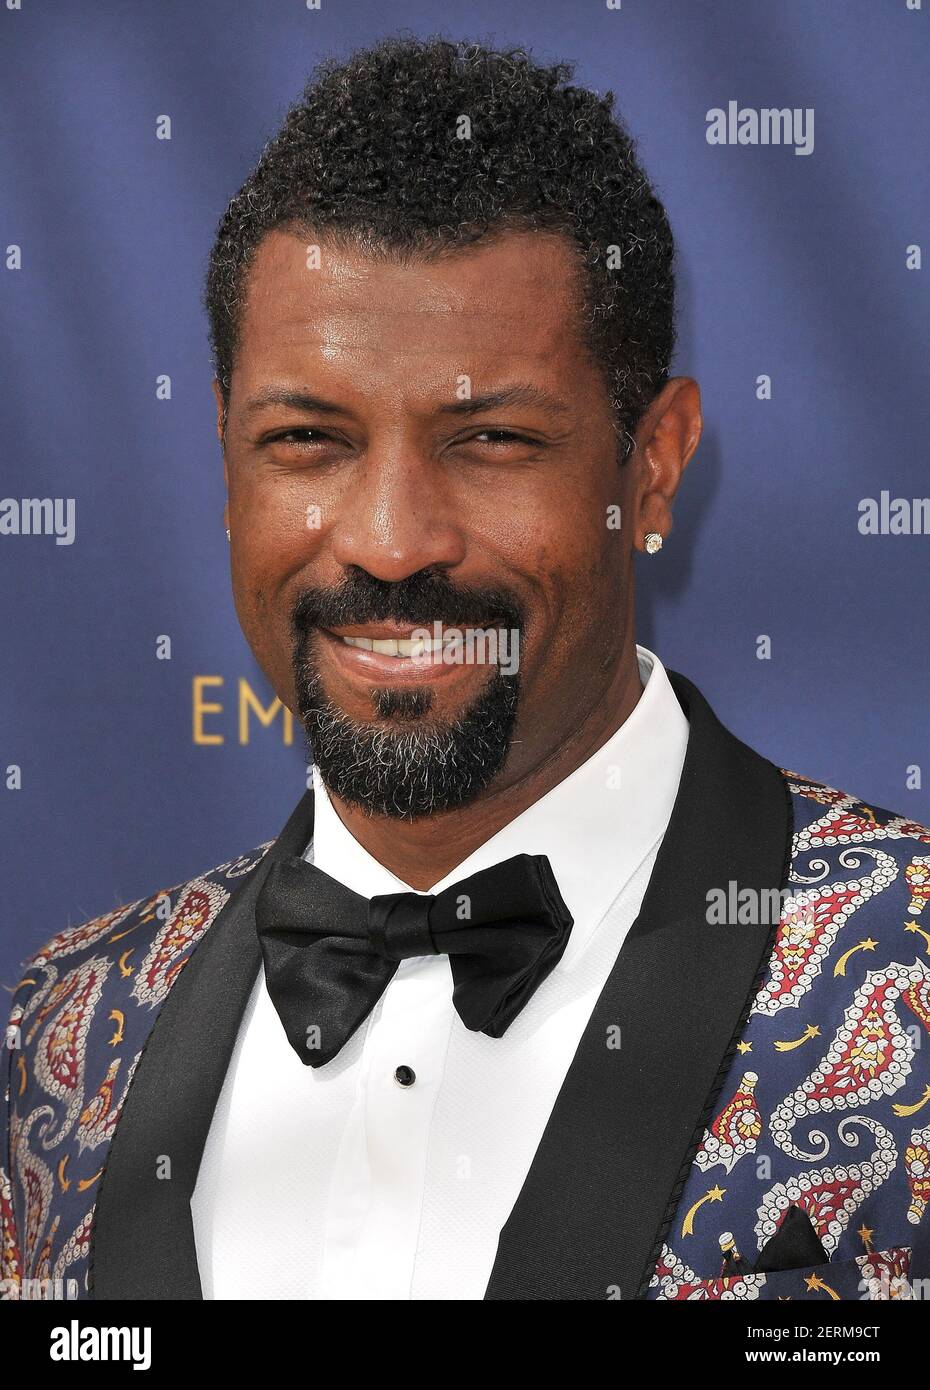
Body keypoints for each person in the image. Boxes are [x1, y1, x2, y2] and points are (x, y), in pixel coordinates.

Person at [3, 37, 929, 1303]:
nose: (391, 541)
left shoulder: (907, 971)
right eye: (308, 438)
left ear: (654, 465)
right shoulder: (64, 1035)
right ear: (225, 452)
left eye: (491, 440)